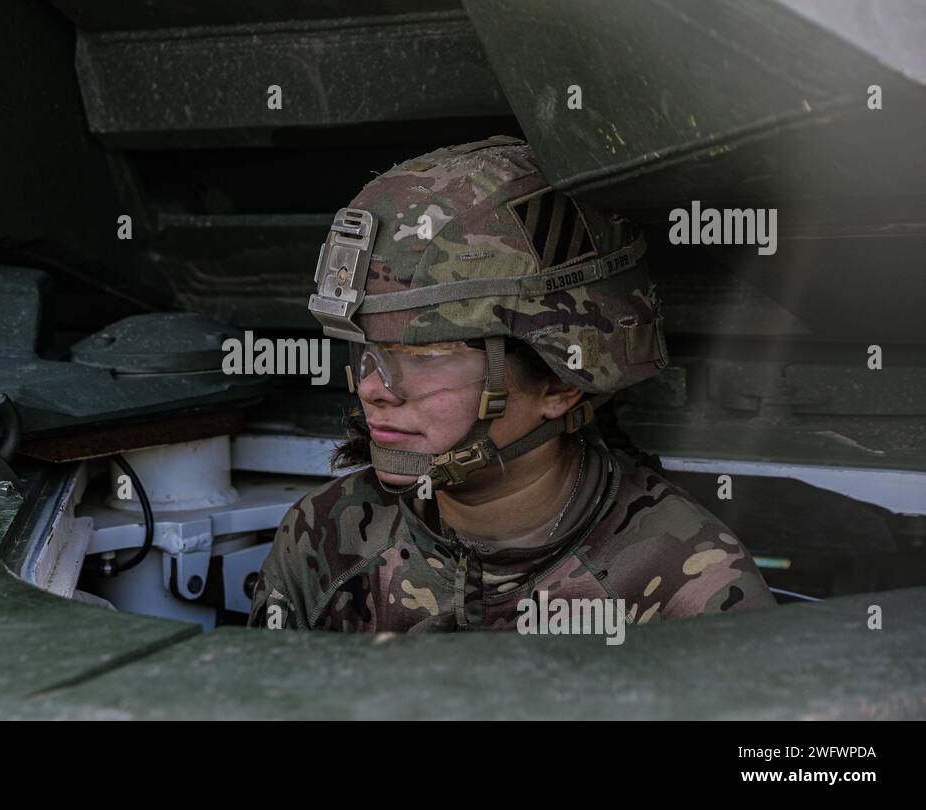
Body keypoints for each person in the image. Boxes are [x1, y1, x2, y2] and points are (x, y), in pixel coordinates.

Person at [247, 136, 775, 632]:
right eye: (368, 354)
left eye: (427, 356)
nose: (373, 389)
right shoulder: (326, 535)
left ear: (561, 384)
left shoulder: (685, 582)